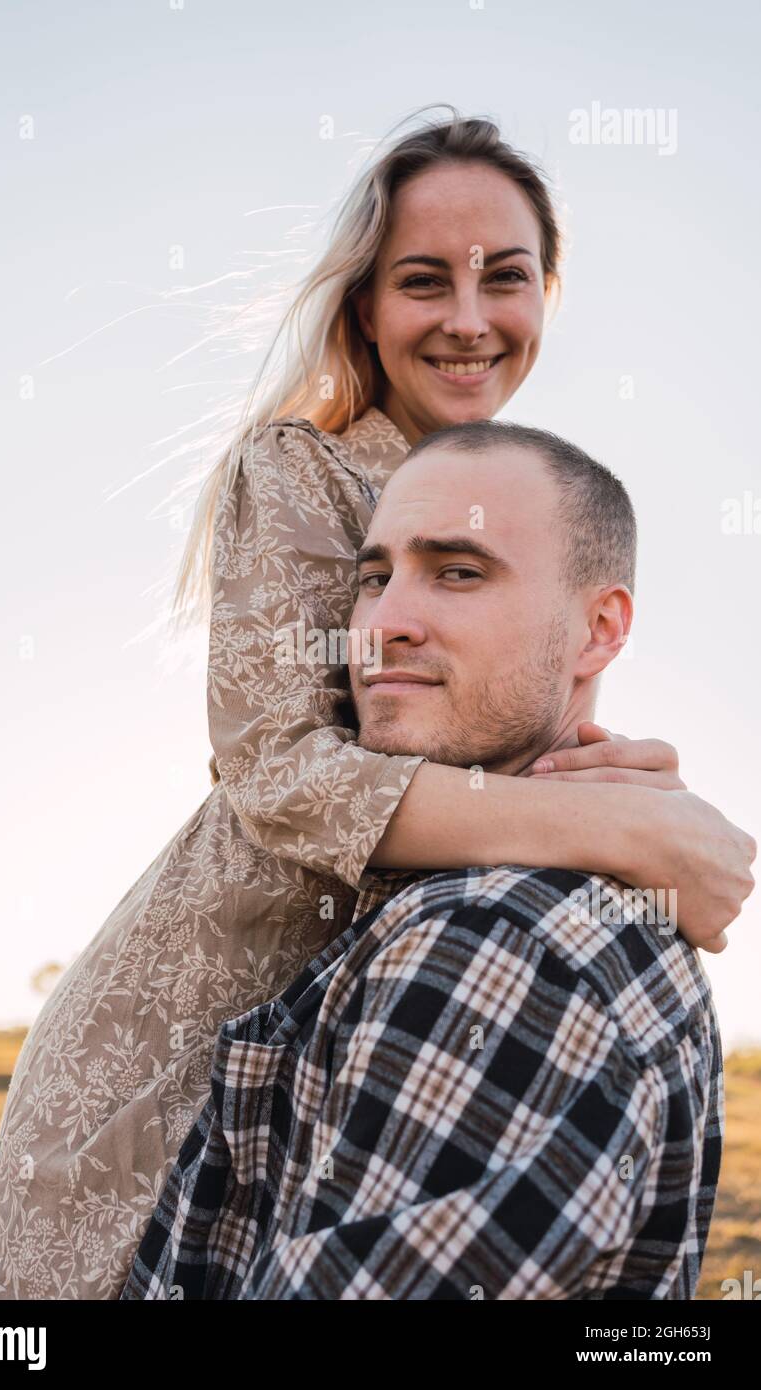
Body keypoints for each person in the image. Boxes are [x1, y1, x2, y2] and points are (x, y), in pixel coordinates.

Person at [0, 110, 753, 1301]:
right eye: (421, 280)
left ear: (548, 292)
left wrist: (611, 779)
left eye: (506, 277)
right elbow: (281, 776)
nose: (467, 317)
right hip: (179, 1052)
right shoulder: (300, 465)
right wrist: (614, 831)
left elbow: (499, 757)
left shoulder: (529, 497)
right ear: (365, 306)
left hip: (384, 1029)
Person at [121, 422, 730, 1301]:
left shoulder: (499, 942)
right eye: (375, 578)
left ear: (600, 629)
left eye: (459, 572)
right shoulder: (513, 898)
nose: (381, 627)